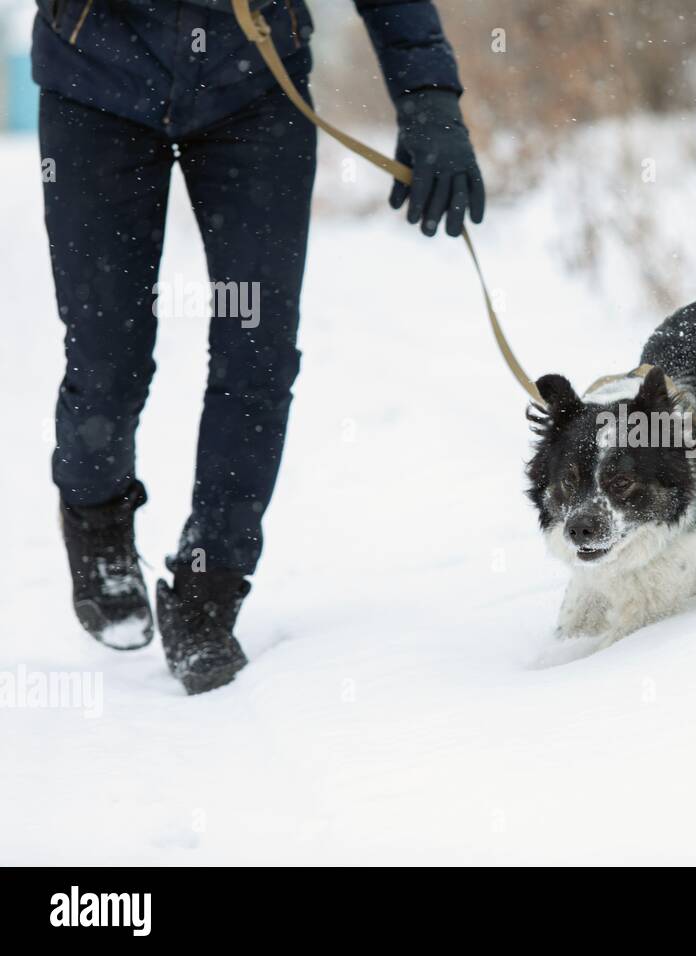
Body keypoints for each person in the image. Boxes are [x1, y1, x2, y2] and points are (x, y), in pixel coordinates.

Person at [35, 0, 485, 694]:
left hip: (252, 86)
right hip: (97, 83)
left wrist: (429, 102)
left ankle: (209, 591)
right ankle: (94, 510)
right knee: (106, 360)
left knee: (258, 353)